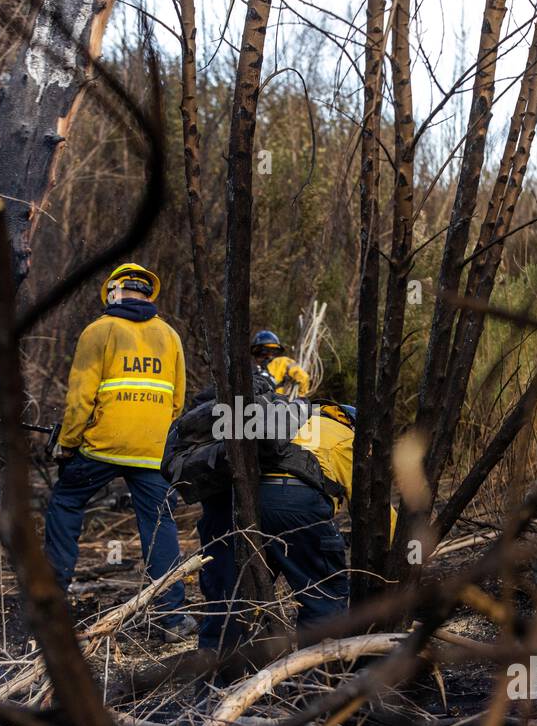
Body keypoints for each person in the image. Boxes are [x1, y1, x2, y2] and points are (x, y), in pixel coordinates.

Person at [44, 263, 193, 638]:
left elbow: (79, 400)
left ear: (112, 293)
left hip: (102, 448)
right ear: (148, 293)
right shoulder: (170, 336)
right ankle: (172, 618)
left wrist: (68, 443)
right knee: (159, 525)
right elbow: (177, 402)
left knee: (65, 503)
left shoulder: (99, 331)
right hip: (153, 450)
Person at [163, 376, 357, 654]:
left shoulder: (283, 419)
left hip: (226, 505)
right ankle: (319, 684)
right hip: (293, 506)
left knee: (226, 603)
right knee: (322, 595)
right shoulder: (343, 433)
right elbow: (373, 510)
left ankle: (217, 687)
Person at [251, 329, 311, 397]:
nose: (267, 356)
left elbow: (303, 377)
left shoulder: (282, 362)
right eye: (261, 353)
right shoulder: (253, 369)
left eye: (270, 352)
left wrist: (299, 399)